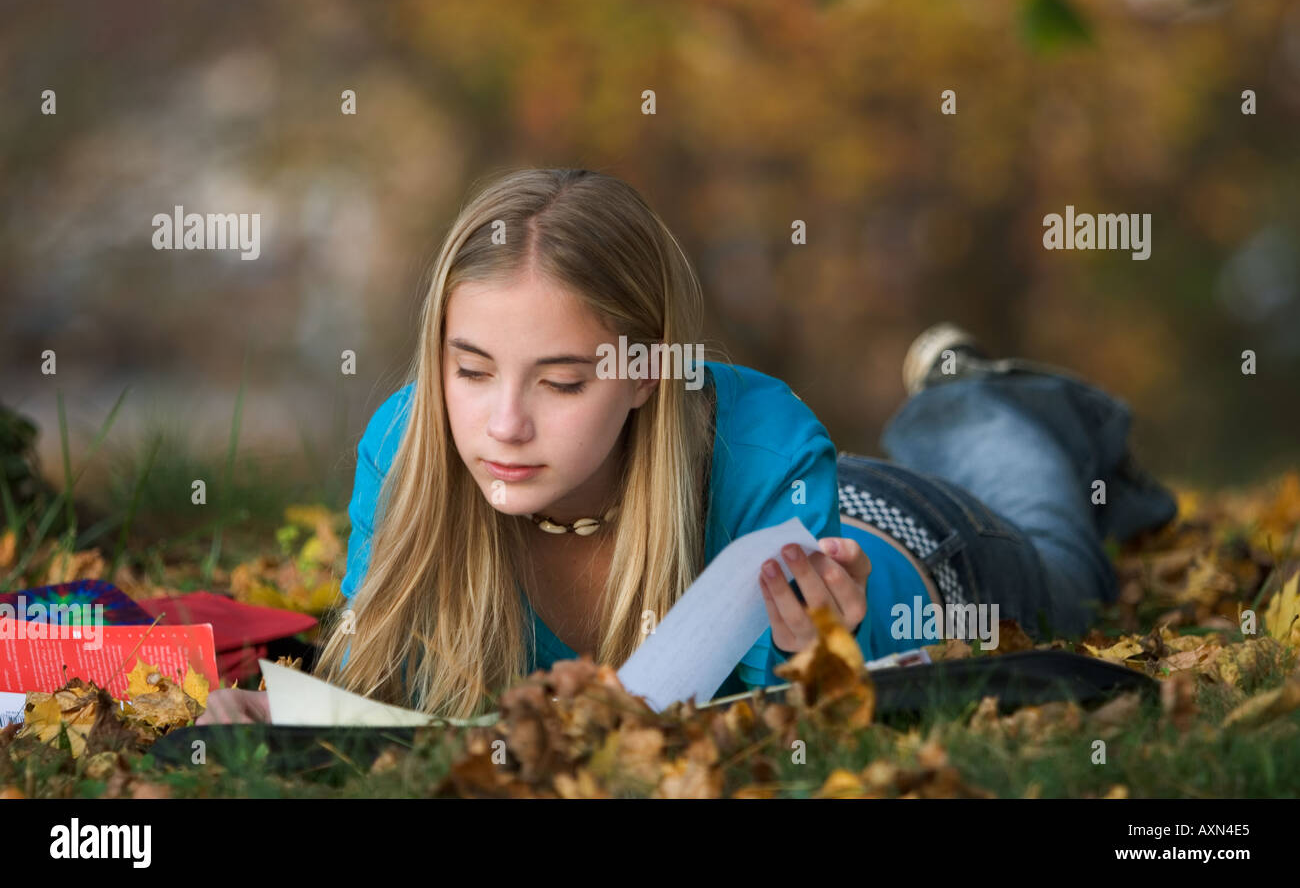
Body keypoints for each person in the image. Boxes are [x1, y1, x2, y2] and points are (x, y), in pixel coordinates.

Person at [198, 168, 1177, 725]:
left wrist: (825, 646)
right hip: (817, 491)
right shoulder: (409, 449)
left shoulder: (758, 442)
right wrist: (279, 721)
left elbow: (848, 695)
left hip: (908, 546)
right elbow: (380, 693)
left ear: (644, 371)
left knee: (1060, 553)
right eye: (470, 368)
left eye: (561, 379)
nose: (501, 423)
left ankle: (983, 400)